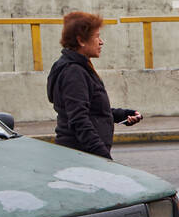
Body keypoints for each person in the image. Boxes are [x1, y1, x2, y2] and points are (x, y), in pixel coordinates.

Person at [47, 11, 142, 159]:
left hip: (82, 155)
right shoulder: (74, 72)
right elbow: (79, 121)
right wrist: (103, 157)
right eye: (97, 36)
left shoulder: (77, 67)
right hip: (82, 157)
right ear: (81, 41)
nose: (101, 41)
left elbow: (90, 108)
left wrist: (121, 115)